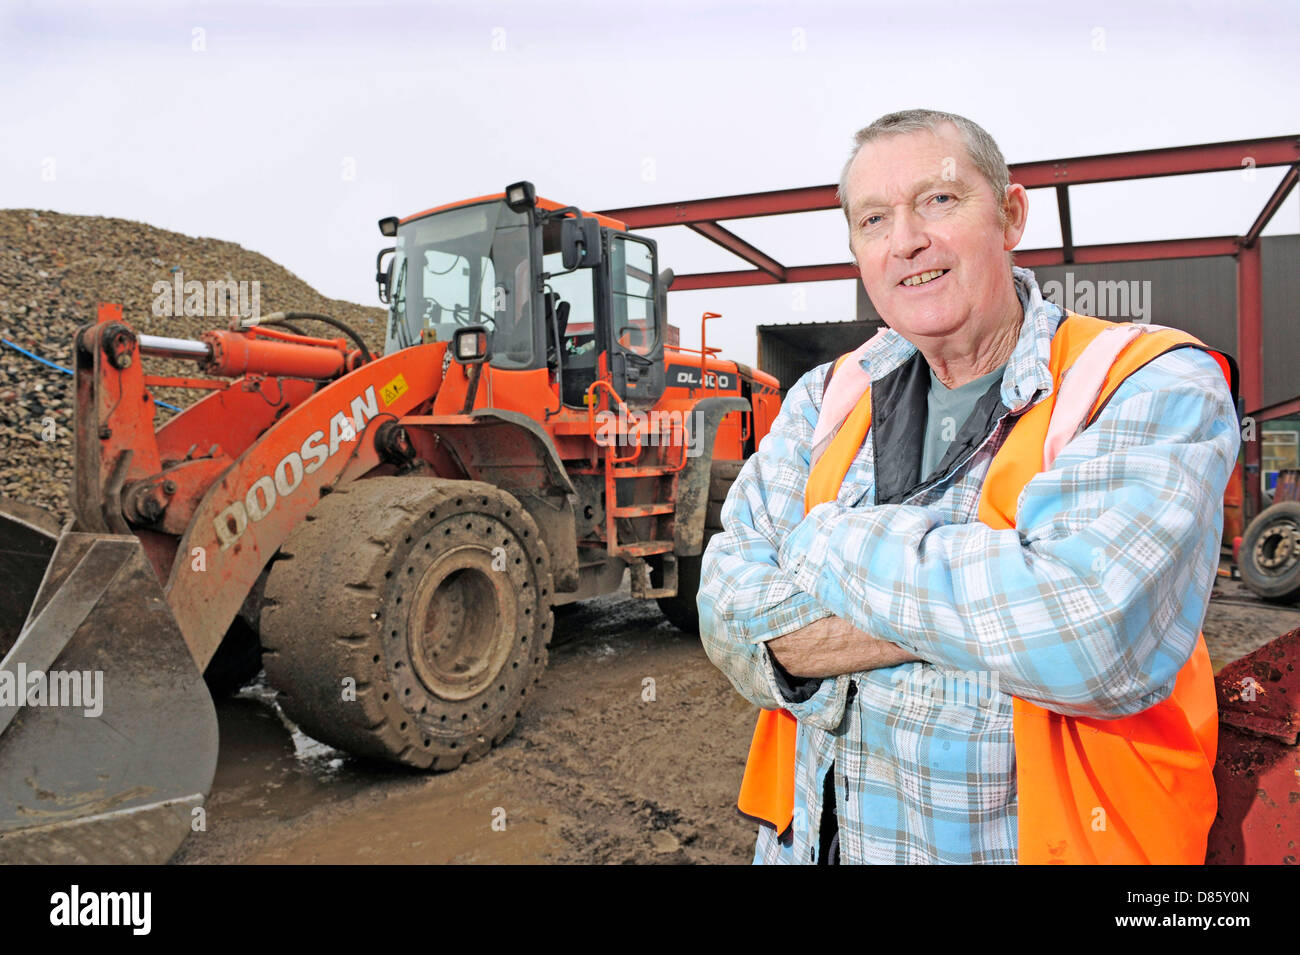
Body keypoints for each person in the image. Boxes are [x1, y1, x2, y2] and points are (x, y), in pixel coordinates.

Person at [697, 109, 1240, 865]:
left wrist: (826, 543)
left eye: (940, 200)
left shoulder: (1142, 380)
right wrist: (1002, 601)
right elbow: (725, 614)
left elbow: (1089, 634)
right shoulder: (828, 397)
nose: (906, 239)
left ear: (1011, 214)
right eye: (874, 219)